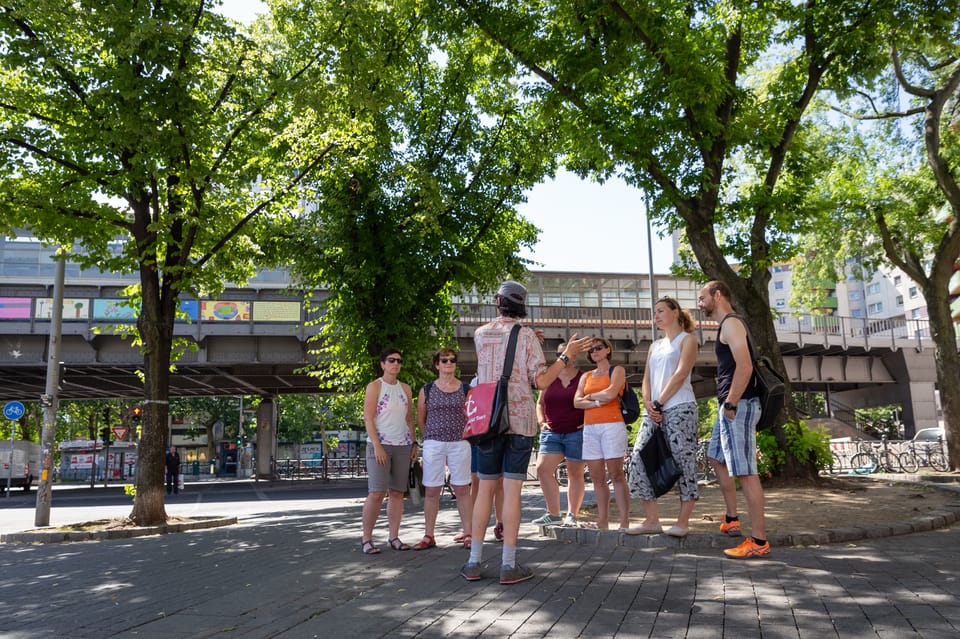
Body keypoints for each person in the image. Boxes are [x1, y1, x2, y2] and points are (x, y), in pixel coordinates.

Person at [460, 281, 592, 585]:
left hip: (488, 421)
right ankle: (508, 565)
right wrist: (566, 356)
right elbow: (541, 381)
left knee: (485, 489)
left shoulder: (480, 334)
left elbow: (496, 361)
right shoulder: (528, 336)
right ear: (522, 306)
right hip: (518, 420)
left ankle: (473, 562)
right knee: (512, 491)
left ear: (498, 302)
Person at [697, 280, 769, 558]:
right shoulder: (726, 326)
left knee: (746, 472)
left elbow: (746, 366)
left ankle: (758, 542)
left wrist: (731, 402)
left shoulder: (731, 323)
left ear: (717, 295)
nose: (699, 303)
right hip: (729, 407)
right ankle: (732, 518)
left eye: (702, 297)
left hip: (738, 405)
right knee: (716, 457)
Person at [627, 297, 700, 536]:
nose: (656, 316)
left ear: (675, 312)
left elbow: (681, 373)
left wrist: (659, 403)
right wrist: (649, 403)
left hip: (680, 407)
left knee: (683, 461)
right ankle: (652, 520)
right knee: (638, 458)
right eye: (654, 312)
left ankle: (683, 522)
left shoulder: (687, 340)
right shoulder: (655, 346)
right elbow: (646, 378)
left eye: (660, 311)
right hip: (654, 411)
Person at [414, 348, 473, 550]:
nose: (448, 363)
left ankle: (468, 532)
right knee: (432, 490)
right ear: (437, 364)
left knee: (462, 488)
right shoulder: (427, 389)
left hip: (460, 443)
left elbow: (472, 416)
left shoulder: (465, 389)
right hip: (434, 443)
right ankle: (429, 534)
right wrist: (429, 437)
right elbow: (420, 418)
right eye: (444, 360)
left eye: (452, 360)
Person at [360, 348, 417, 555]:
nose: (396, 364)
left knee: (397, 493)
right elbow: (368, 418)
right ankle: (366, 539)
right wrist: (377, 446)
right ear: (383, 364)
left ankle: (394, 537)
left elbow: (409, 419)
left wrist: (414, 443)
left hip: (402, 445)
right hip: (380, 445)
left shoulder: (406, 388)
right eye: (391, 360)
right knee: (376, 493)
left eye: (399, 361)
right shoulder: (375, 386)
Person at [573, 337, 631, 531]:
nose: (594, 352)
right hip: (590, 428)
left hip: (612, 425)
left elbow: (611, 393)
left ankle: (624, 521)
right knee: (597, 478)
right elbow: (576, 402)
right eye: (591, 350)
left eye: (598, 348)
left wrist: (589, 397)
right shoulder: (586, 376)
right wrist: (598, 401)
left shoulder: (617, 370)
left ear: (608, 350)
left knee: (616, 474)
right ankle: (603, 521)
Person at [531, 342, 586, 527]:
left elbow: (590, 401)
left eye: (567, 353)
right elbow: (540, 403)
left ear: (574, 356)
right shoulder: (550, 376)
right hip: (552, 433)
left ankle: (572, 515)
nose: (563, 356)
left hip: (576, 432)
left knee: (575, 474)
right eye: (559, 354)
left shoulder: (583, 377)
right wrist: (541, 422)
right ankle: (553, 513)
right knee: (542, 469)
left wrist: (587, 421)